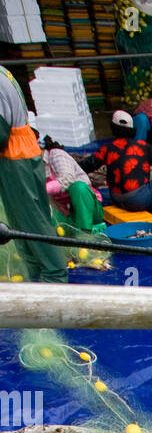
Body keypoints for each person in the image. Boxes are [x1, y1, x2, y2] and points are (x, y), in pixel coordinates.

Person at [0, 67, 67, 282]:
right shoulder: (3, 72)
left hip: (15, 159)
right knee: (25, 228)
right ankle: (39, 282)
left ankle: (54, 281)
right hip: (22, 152)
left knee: (32, 226)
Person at [42, 136, 105, 234]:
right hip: (65, 212)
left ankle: (85, 233)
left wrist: (42, 189)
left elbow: (67, 179)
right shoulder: (35, 166)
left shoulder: (56, 154)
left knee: (78, 187)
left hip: (88, 209)